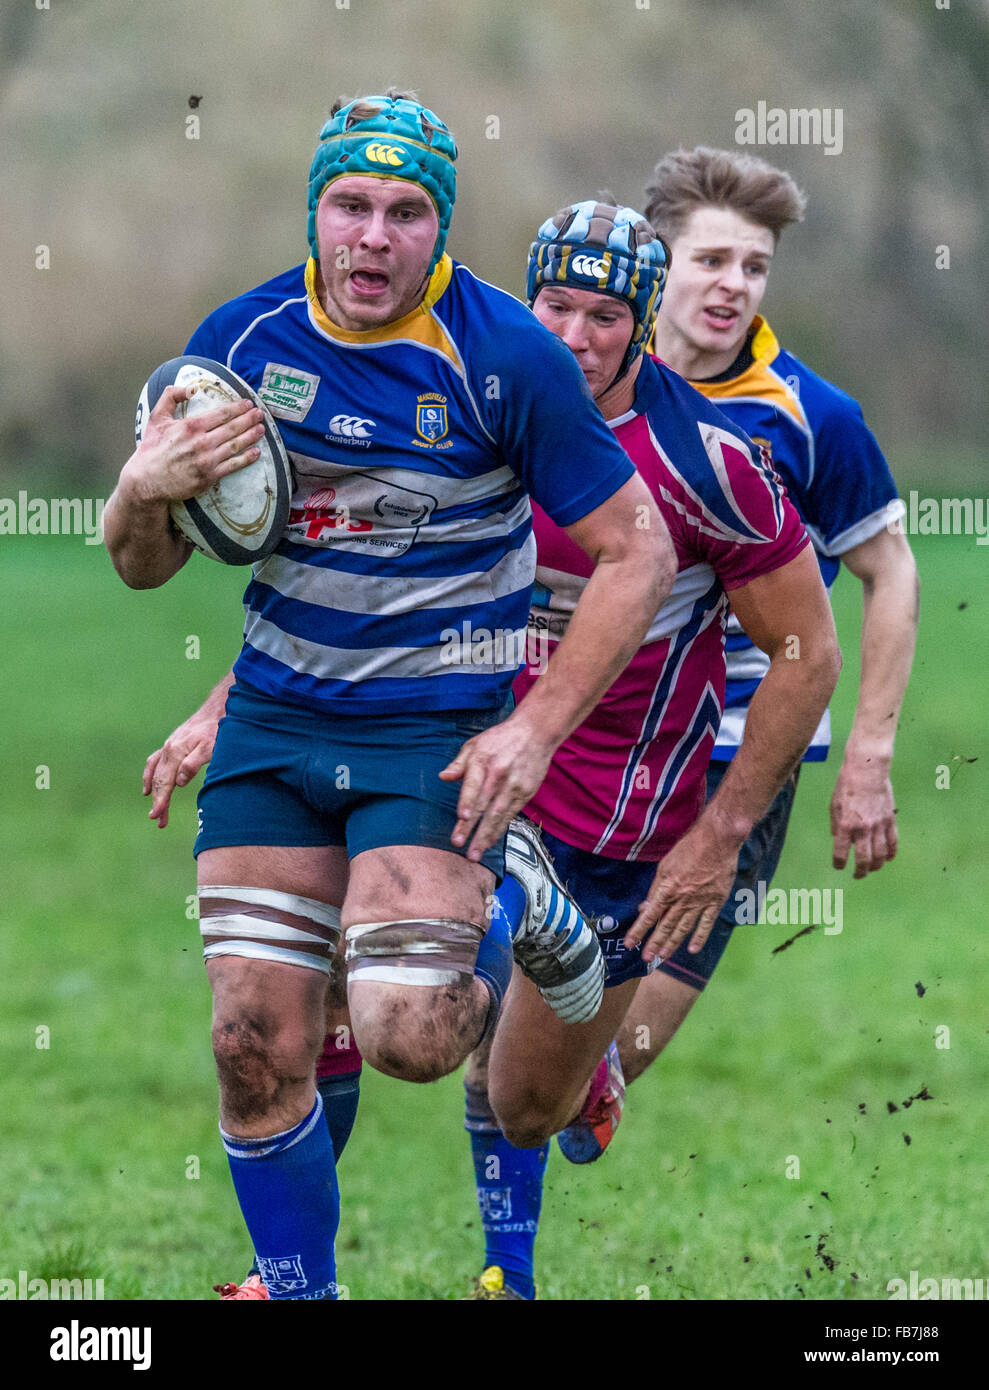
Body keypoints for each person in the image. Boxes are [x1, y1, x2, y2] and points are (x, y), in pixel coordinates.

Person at [103, 91, 677, 1300]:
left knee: (412, 1034)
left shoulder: (502, 355)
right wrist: (139, 492)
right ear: (314, 210)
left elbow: (638, 554)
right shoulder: (244, 341)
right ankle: (302, 1292)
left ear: (440, 225)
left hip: (433, 731)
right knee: (251, 1044)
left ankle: (531, 909)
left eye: (404, 212)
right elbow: (147, 565)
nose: (371, 236)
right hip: (276, 722)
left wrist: (532, 729)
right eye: (349, 206)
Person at [460, 199, 842, 1298]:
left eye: (600, 315)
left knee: (528, 1100)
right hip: (474, 777)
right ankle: (499, 1279)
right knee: (422, 994)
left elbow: (805, 655)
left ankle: (586, 1076)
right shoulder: (477, 418)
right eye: (553, 308)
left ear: (639, 324)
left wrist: (721, 837)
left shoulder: (705, 463)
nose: (572, 337)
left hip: (623, 832)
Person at [611, 146, 917, 1090]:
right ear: (657, 263)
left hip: (741, 742)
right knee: (515, 1018)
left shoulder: (811, 415)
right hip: (599, 724)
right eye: (709, 261)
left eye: (753, 266)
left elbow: (891, 571)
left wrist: (866, 755)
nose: (732, 285)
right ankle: (507, 1230)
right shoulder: (581, 385)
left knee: (607, 1069)